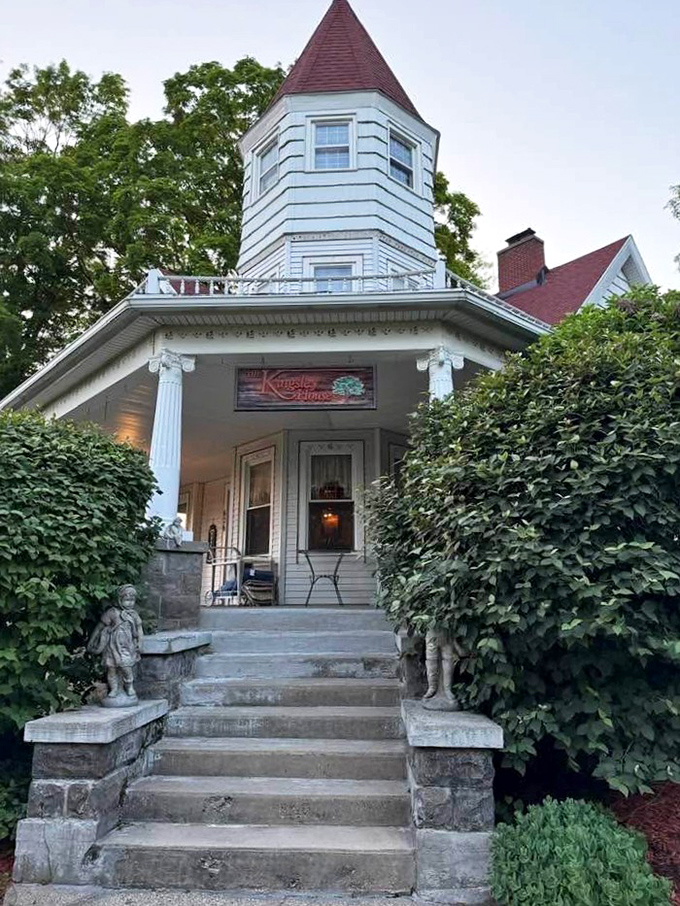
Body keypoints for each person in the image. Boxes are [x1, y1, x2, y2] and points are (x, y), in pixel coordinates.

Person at [88, 584, 143, 705]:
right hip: (112, 646)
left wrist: (140, 642)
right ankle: (113, 689)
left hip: (127, 646)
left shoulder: (133, 615)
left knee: (126, 667)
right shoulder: (112, 612)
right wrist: (92, 640)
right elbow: (100, 627)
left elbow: (139, 629)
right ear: (119, 599)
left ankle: (129, 686)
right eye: (127, 600)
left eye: (132, 600)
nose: (130, 603)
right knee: (111, 669)